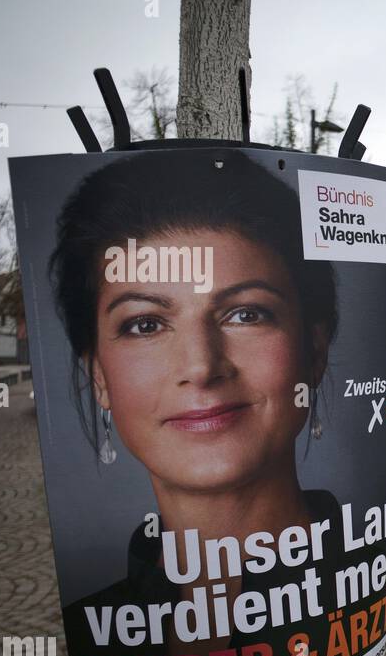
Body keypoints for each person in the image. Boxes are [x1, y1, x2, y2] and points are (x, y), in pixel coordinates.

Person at [49, 151, 346, 627]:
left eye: (246, 314)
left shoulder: (371, 580)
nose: (201, 366)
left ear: (314, 351)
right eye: (145, 324)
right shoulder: (91, 628)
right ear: (99, 376)